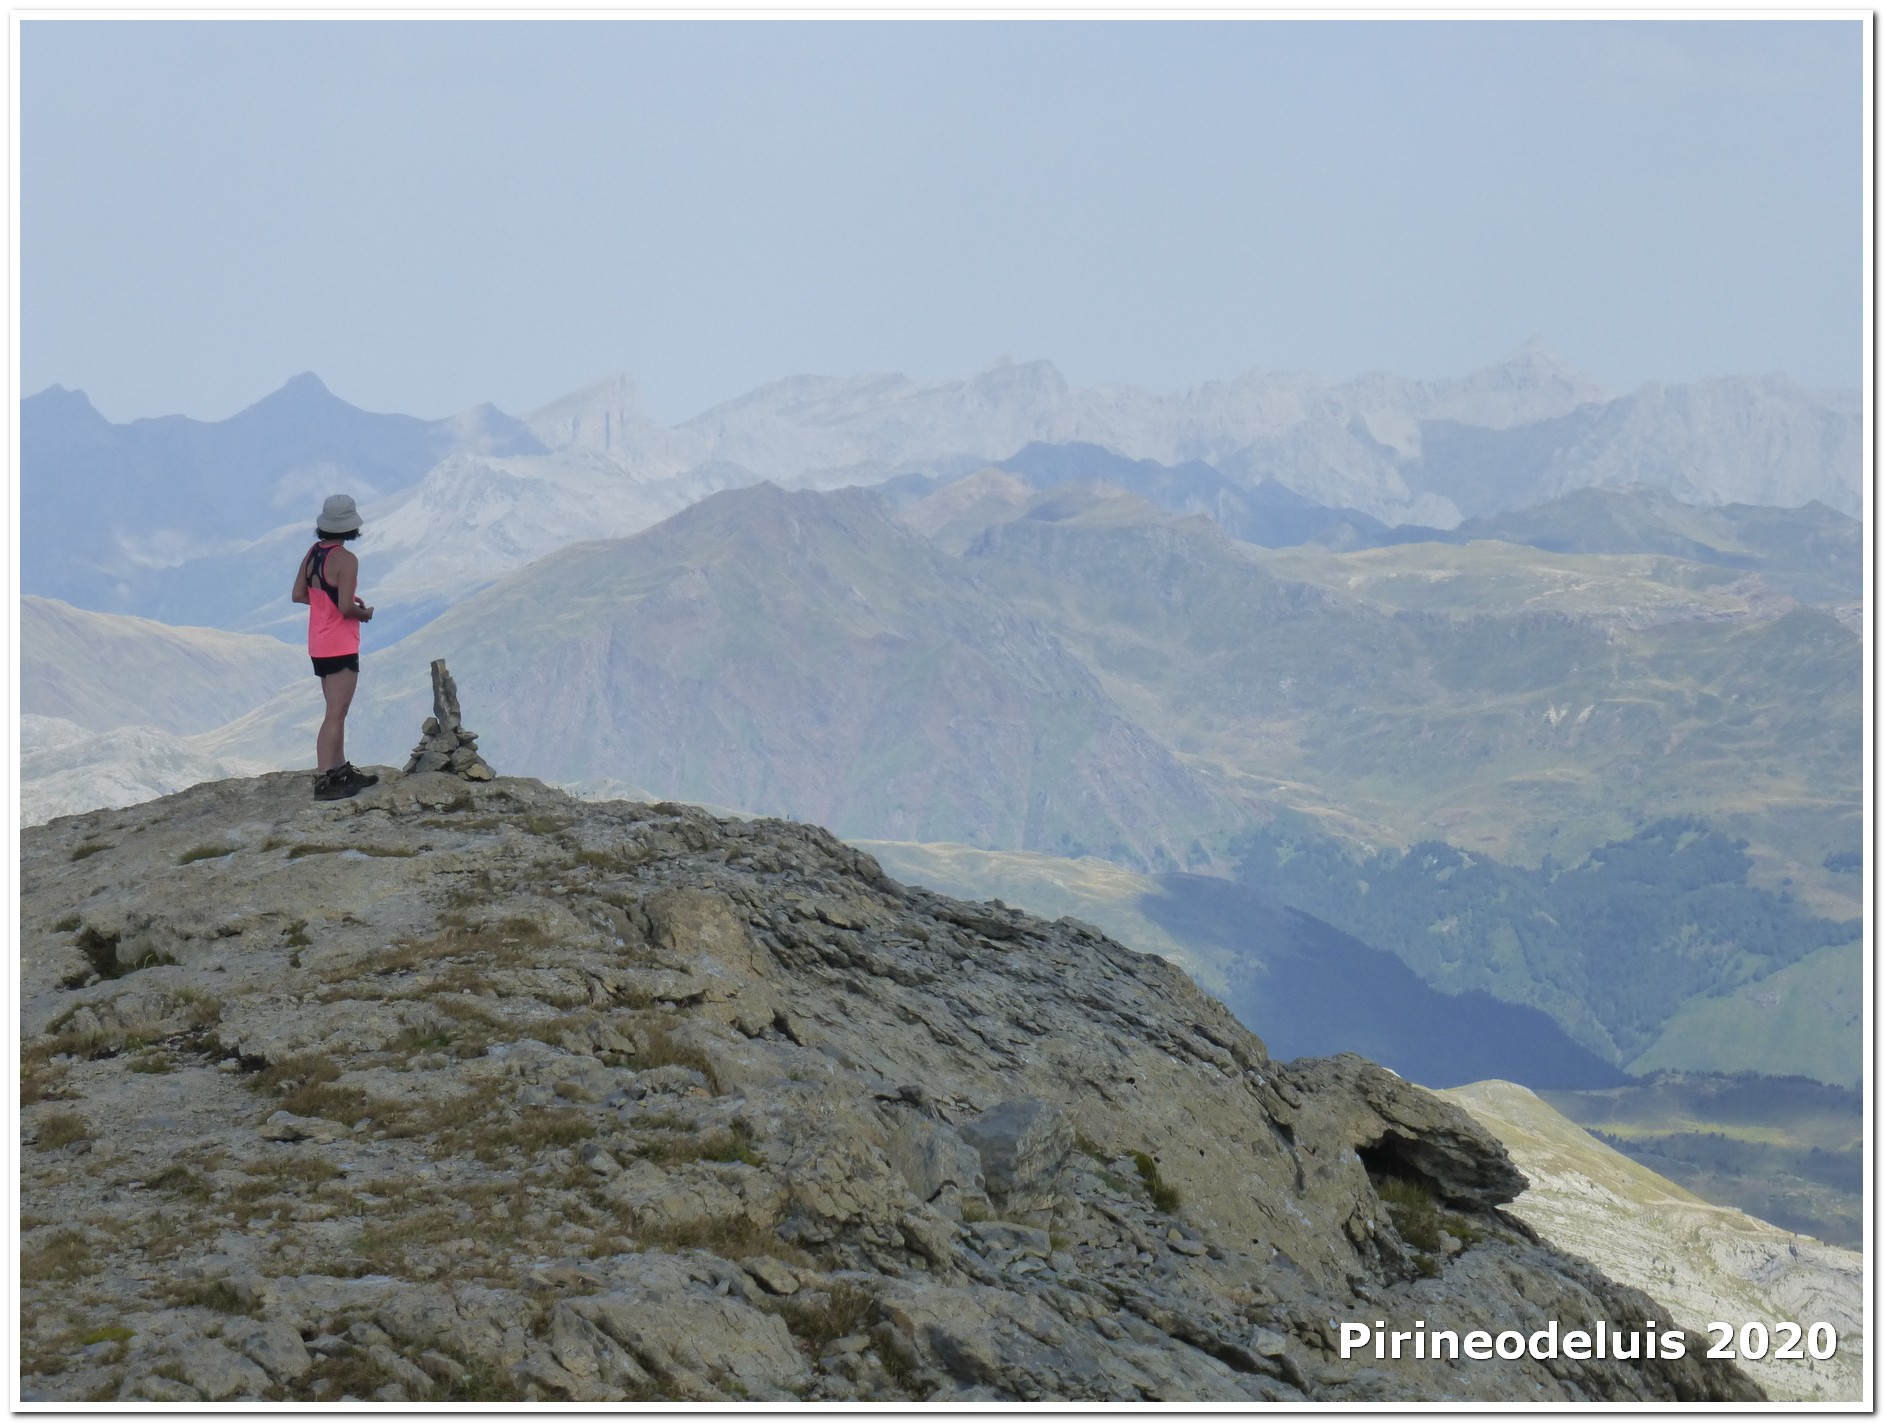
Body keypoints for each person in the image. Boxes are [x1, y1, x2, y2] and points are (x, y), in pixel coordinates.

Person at [291, 494, 380, 800]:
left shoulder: (314, 553)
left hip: (318, 643)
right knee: (336, 713)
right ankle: (325, 779)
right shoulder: (346, 560)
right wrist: (363, 613)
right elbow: (345, 608)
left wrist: (327, 605)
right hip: (340, 644)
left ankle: (340, 770)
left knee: (334, 710)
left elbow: (299, 594)